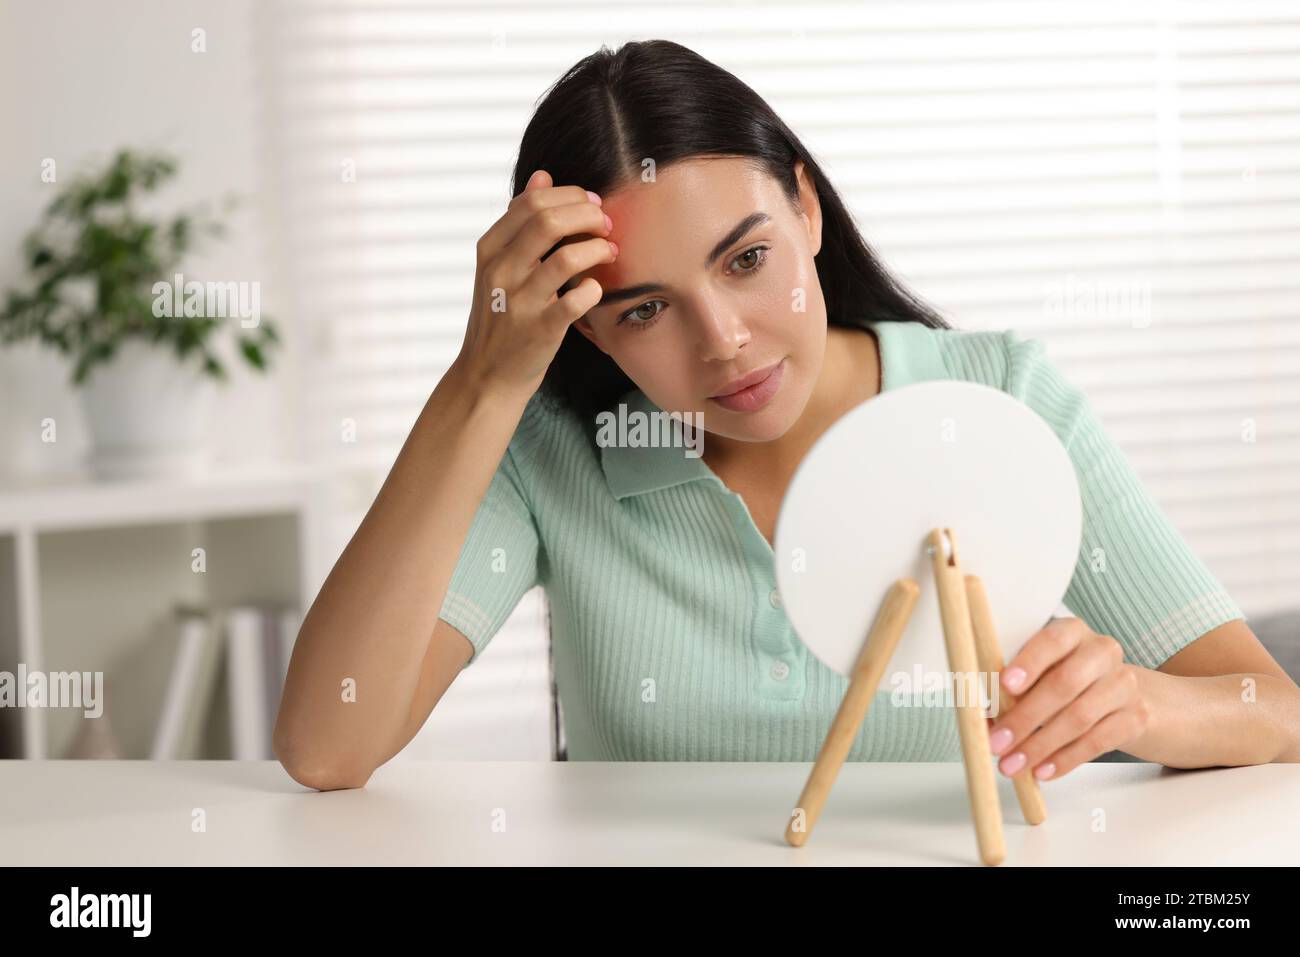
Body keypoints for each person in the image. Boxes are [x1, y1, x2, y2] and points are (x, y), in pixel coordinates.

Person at [274, 40, 1299, 790]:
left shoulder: (998, 399)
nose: (721, 339)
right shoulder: (549, 450)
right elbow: (329, 745)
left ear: (805, 209)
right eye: (644, 308)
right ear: (587, 329)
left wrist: (1141, 705)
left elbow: (1276, 713)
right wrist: (481, 380)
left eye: (747, 258)